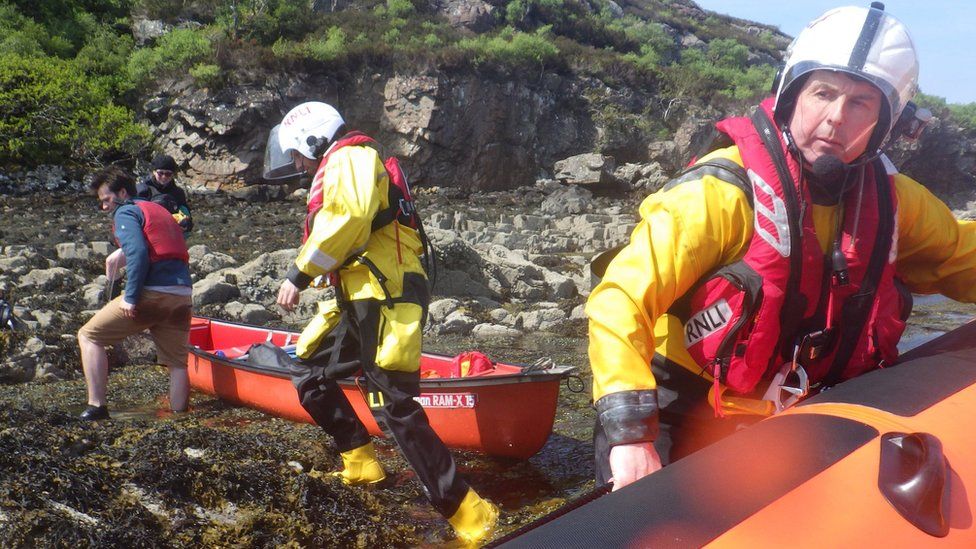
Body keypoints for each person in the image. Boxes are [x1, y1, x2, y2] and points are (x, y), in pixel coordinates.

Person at [587, 3, 976, 491]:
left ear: (884, 124)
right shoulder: (718, 193)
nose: (835, 118)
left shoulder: (897, 202)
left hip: (799, 411)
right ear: (792, 96)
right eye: (823, 93)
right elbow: (619, 300)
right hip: (679, 403)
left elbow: (962, 257)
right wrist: (630, 433)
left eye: (860, 104)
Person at [263, 102, 499, 544]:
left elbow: (349, 217)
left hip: (386, 293)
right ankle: (361, 462)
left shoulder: (352, 156)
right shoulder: (342, 161)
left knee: (395, 405)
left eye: (296, 153)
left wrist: (299, 274)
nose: (295, 164)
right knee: (307, 366)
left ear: (314, 141)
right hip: (358, 296)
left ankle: (470, 513)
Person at [77, 166, 193, 420]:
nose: (105, 207)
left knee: (88, 336)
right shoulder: (158, 210)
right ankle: (179, 416)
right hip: (182, 293)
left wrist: (130, 296)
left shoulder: (126, 211)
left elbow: (139, 253)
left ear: (122, 192)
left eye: (106, 200)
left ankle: (97, 406)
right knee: (177, 363)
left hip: (152, 294)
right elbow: (158, 245)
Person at [137, 154, 193, 233]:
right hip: (149, 231)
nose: (164, 177)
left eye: (168, 174)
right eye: (160, 173)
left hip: (171, 232)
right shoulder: (143, 190)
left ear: (173, 174)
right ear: (154, 172)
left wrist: (187, 223)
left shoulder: (178, 192)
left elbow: (186, 214)